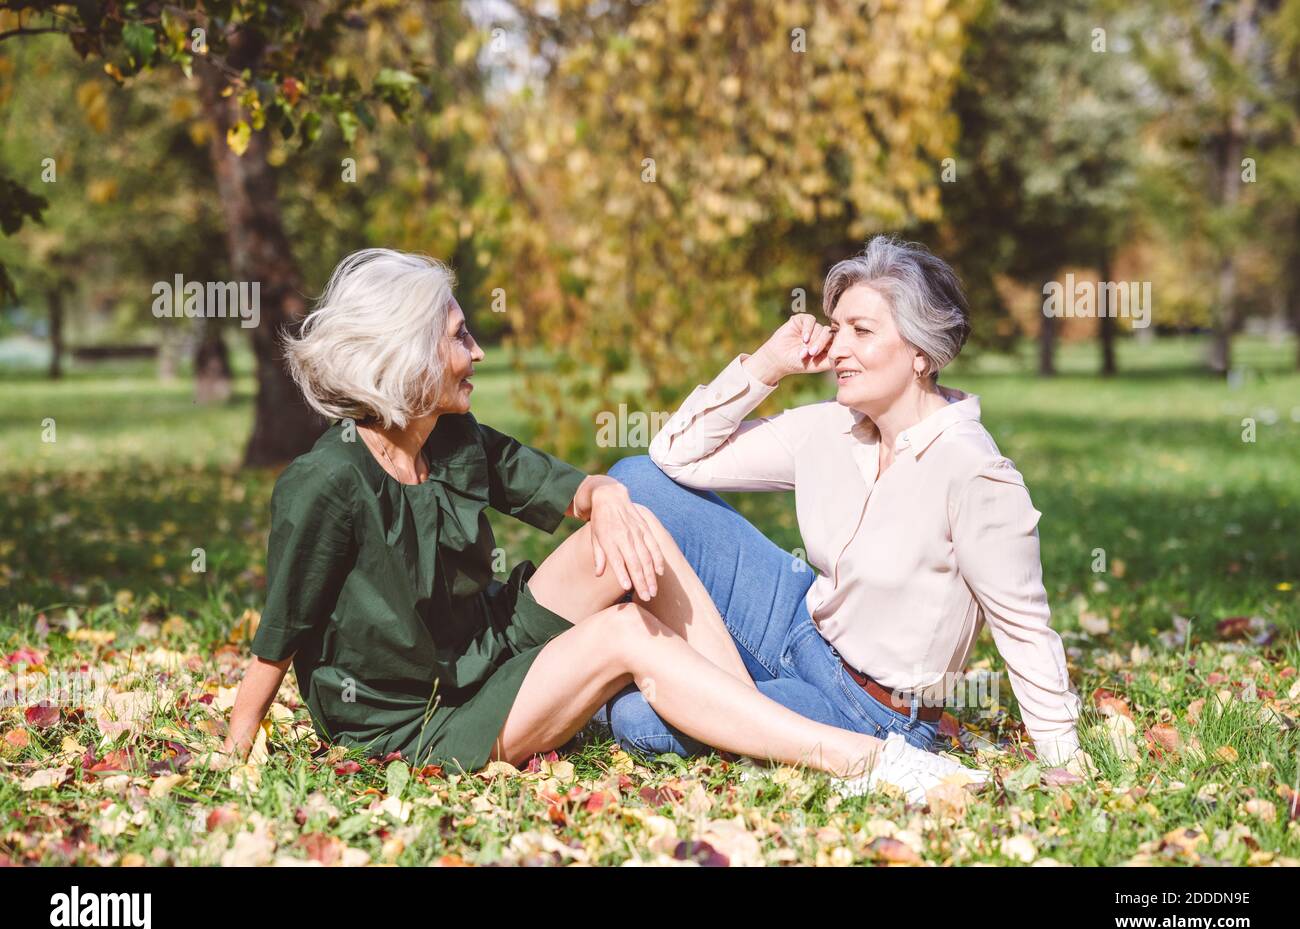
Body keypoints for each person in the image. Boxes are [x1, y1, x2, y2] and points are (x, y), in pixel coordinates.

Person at [221, 248, 984, 805]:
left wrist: (611, 501)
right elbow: (281, 629)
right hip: (418, 722)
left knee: (635, 518)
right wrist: (236, 748)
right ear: (409, 357)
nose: (477, 352)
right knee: (625, 633)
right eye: (459, 338)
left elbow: (569, 487)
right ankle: (862, 761)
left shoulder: (450, 439)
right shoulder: (325, 483)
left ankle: (736, 709)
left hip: (486, 646)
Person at [597, 235, 1086, 773]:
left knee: (637, 719)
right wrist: (768, 365)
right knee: (634, 483)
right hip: (797, 625)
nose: (837, 349)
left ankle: (727, 698)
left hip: (872, 712)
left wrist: (1063, 758)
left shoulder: (973, 472)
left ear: (921, 353)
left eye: (862, 331)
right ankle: (734, 697)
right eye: (837, 328)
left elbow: (1023, 626)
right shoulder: (830, 427)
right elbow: (673, 458)